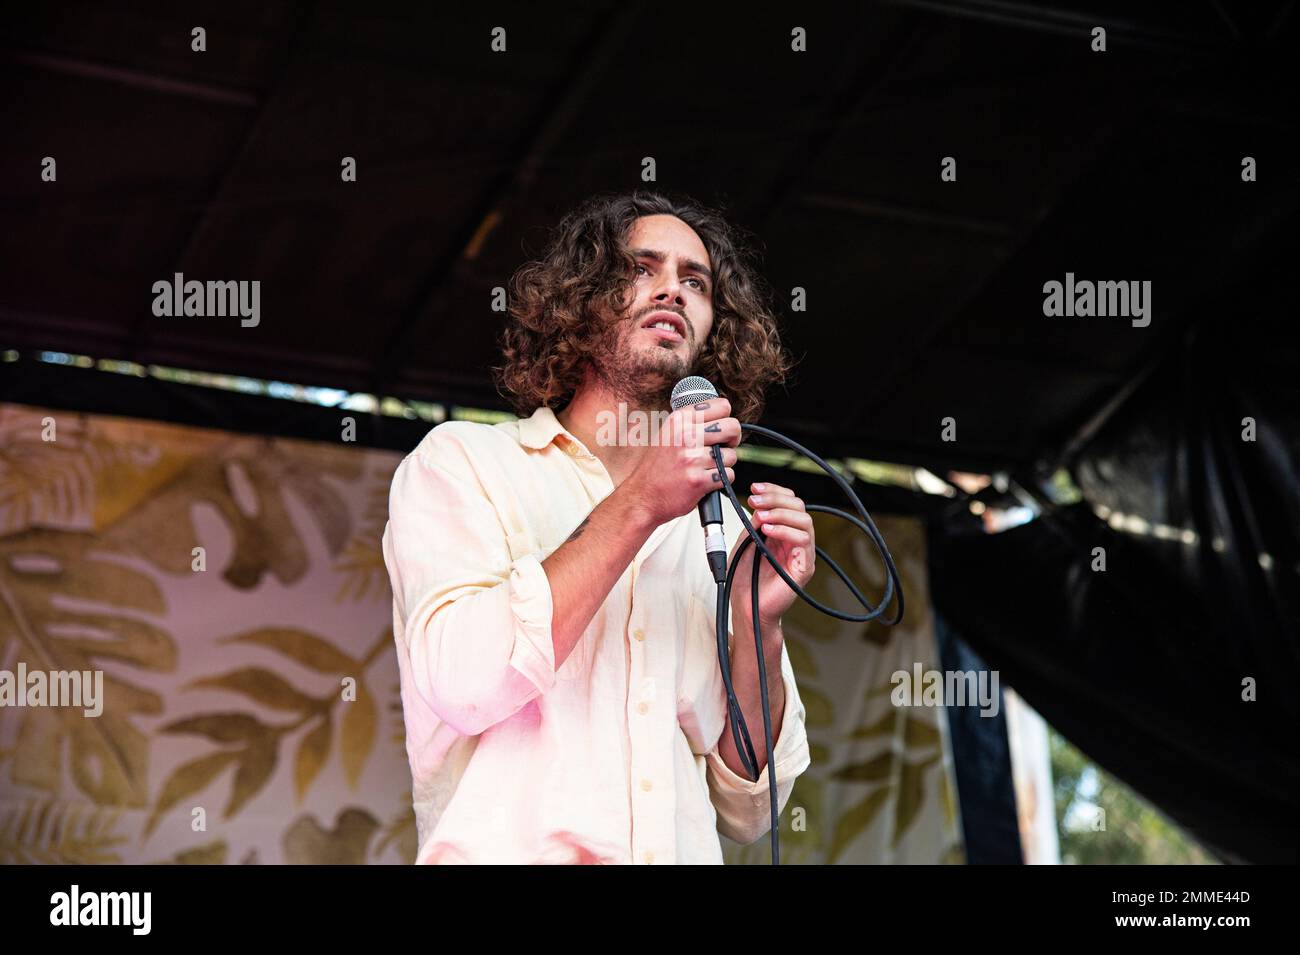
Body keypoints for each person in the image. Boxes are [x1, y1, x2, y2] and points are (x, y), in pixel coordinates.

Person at [381, 190, 815, 864]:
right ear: (583, 300)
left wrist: (757, 625)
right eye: (643, 269)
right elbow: (466, 681)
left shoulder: (721, 520)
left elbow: (750, 803)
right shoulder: (463, 463)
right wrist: (643, 501)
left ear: (713, 329)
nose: (672, 288)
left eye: (694, 281)